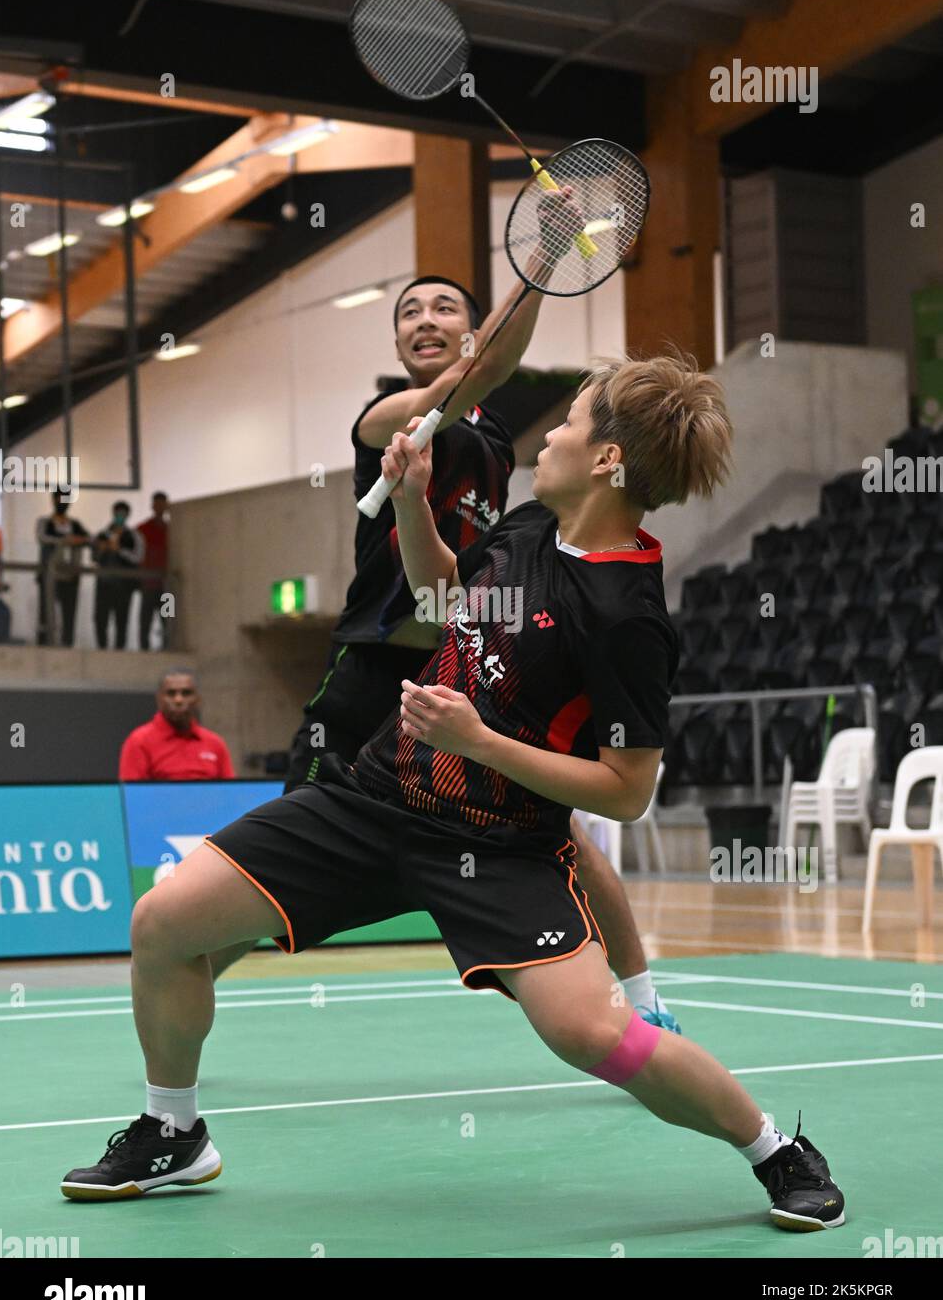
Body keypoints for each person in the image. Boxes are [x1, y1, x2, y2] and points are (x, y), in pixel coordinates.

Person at [61, 353, 846, 1231]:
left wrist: (480, 740)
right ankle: (175, 1131)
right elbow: (443, 598)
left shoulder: (626, 617)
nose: (548, 433)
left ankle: (775, 1150)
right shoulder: (524, 530)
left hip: (502, 846)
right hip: (375, 801)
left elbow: (625, 793)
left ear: (607, 461)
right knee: (163, 924)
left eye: (570, 422)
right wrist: (407, 496)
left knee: (596, 1035)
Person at [267, 204, 675, 1030]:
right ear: (397, 346)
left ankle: (644, 1000)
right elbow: (476, 378)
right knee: (286, 829)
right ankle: (198, 949)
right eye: (408, 311)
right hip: (380, 659)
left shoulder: (498, 442)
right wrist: (545, 258)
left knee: (563, 838)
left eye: (443, 307)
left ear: (468, 328)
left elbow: (487, 382)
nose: (425, 319)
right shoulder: (388, 420)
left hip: (471, 670)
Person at [119, 670, 234, 781]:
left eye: (186, 693)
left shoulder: (215, 744)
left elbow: (230, 793)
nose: (178, 700)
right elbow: (132, 796)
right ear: (159, 699)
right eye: (171, 693)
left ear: (198, 699)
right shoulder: (139, 741)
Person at [34, 492, 91, 646]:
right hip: (49, 573)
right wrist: (65, 540)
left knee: (69, 612)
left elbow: (88, 538)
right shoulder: (45, 522)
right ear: (53, 500)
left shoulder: (75, 524)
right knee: (46, 612)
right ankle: (44, 643)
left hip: (70, 575)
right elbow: (42, 537)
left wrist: (80, 540)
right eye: (59, 499)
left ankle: (67, 643)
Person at [93, 501, 144, 649]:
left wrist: (119, 550)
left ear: (127, 515)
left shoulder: (134, 536)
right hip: (103, 584)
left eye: (123, 514)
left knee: (121, 620)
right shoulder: (102, 534)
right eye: (117, 513)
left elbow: (138, 557)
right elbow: (94, 557)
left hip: (123, 585)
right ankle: (101, 649)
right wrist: (102, 549)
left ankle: (119, 650)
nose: (120, 516)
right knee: (100, 619)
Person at [136, 491, 170, 652]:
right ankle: (144, 648)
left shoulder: (171, 530)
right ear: (153, 506)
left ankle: (168, 646)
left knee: (168, 619)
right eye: (157, 504)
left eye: (162, 504)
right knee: (146, 619)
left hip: (167, 585)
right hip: (149, 583)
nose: (159, 508)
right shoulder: (142, 529)